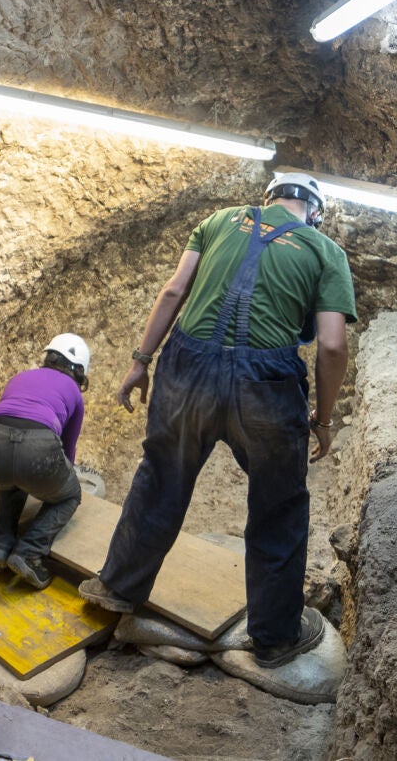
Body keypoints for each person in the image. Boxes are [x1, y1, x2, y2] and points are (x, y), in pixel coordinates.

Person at [78, 172, 354, 670]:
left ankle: (116, 587)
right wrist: (325, 419)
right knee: (278, 508)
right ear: (316, 212)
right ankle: (274, 639)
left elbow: (172, 291)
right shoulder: (325, 251)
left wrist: (140, 361)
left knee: (162, 476)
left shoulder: (218, 221)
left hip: (187, 369)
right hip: (266, 386)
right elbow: (332, 345)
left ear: (266, 199)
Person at [0, 334, 90, 590]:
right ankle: (29, 553)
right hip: (37, 449)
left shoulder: (21, 376)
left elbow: (10, 417)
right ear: (78, 370)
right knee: (69, 495)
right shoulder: (74, 394)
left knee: (10, 480)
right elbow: (67, 448)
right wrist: (56, 484)